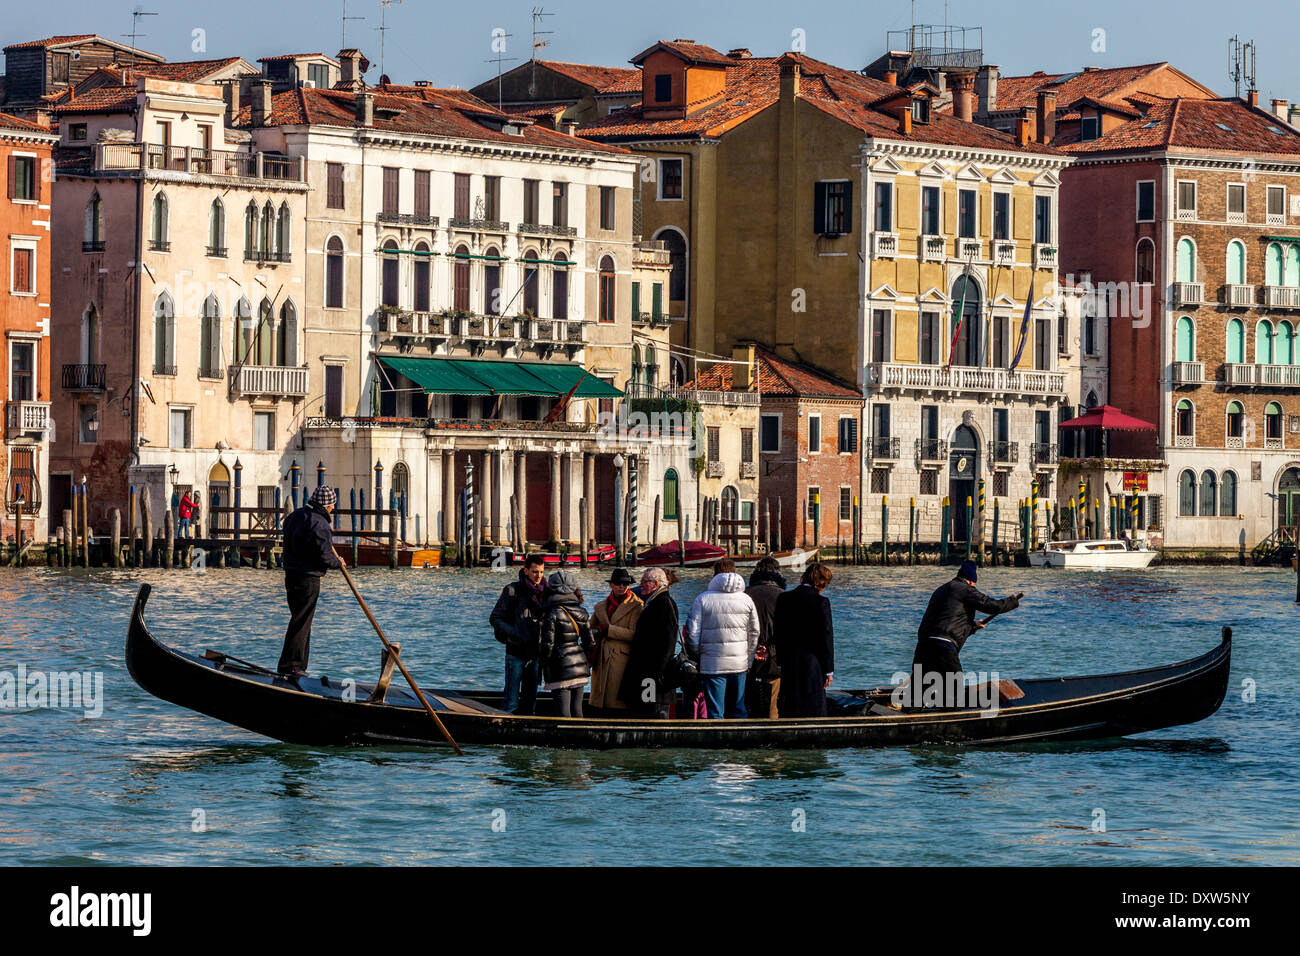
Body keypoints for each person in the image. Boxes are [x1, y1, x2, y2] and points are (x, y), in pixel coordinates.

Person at [910, 560, 1023, 708]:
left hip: (924, 645)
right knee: (954, 688)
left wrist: (973, 626)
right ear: (971, 581)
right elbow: (991, 605)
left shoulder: (941, 590)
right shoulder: (965, 589)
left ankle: (910, 713)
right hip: (943, 647)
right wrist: (1011, 602)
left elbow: (946, 621)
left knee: (918, 690)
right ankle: (951, 720)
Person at [278, 485, 344, 679]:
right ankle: (292, 666)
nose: (333, 508)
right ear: (327, 505)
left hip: (291, 575)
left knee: (299, 619)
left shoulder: (294, 517)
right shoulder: (320, 524)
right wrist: (337, 563)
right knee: (302, 621)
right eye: (332, 505)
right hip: (308, 578)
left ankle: (296, 666)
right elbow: (324, 556)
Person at [685, 559, 760, 719]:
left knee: (715, 711)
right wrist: (748, 658)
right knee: (739, 708)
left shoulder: (702, 599)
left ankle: (716, 741)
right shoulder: (746, 599)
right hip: (739, 663)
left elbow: (693, 633)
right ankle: (739, 741)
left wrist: (699, 655)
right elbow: (754, 632)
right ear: (734, 572)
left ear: (715, 574)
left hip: (712, 663)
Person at [490, 553, 550, 715]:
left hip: (535, 653)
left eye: (541, 572)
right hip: (515, 651)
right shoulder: (512, 590)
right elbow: (495, 618)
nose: (538, 576)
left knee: (531, 699)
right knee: (511, 698)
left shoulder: (547, 593)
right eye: (535, 572)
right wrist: (514, 633)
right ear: (526, 571)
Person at [774, 563, 835, 718]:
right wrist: (829, 669)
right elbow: (826, 636)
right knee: (812, 704)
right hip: (812, 661)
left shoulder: (784, 598)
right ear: (821, 583)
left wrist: (780, 660)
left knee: (790, 702)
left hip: (789, 659)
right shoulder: (822, 602)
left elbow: (778, 631)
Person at [619, 567, 679, 717]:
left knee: (651, 710)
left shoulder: (663, 603)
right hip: (649, 671)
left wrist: (658, 670)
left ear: (656, 583)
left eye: (645, 581)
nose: (641, 584)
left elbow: (669, 640)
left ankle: (653, 738)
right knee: (646, 706)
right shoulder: (656, 601)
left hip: (653, 673)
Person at [537, 570, 596, 717]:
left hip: (559, 668)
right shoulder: (582, 612)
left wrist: (543, 662)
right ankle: (582, 738)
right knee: (577, 710)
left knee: (563, 713)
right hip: (579, 666)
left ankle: (566, 740)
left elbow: (547, 645)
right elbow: (590, 643)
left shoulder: (551, 613)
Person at [589, 566, 644, 713]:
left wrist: (609, 630)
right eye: (618, 583)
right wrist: (596, 632)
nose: (622, 587)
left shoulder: (637, 606)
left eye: (625, 584)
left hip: (621, 658)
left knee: (617, 702)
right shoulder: (601, 606)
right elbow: (590, 627)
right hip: (601, 657)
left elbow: (635, 634)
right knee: (599, 702)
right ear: (611, 585)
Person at [745, 557, 787, 719]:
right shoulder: (784, 596)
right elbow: (786, 631)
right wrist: (770, 650)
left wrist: (755, 648)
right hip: (774, 659)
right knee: (772, 705)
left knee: (746, 701)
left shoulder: (744, 594)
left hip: (746, 657)